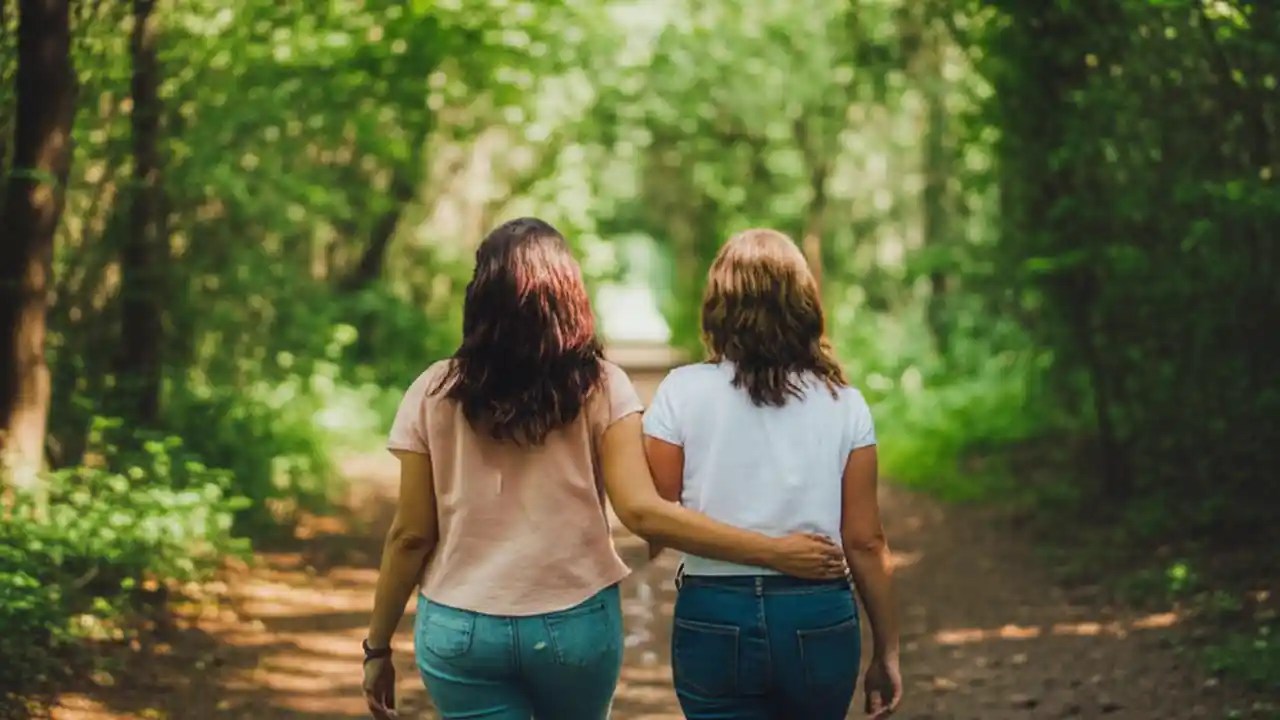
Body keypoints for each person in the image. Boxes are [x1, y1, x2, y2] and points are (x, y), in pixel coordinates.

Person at [360, 218, 847, 720]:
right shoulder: (600, 387)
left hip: (461, 627)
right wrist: (776, 552)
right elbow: (641, 510)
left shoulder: (433, 391)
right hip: (574, 622)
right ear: (570, 294)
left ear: (478, 296)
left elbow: (411, 536)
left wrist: (377, 647)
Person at [643, 228, 903, 719]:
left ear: (718, 305)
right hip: (816, 614)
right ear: (804, 304)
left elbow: (657, 518)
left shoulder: (680, 392)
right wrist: (887, 652)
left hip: (714, 611)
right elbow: (866, 541)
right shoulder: (842, 402)